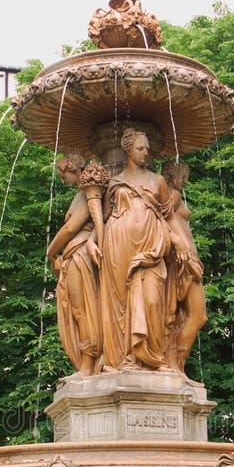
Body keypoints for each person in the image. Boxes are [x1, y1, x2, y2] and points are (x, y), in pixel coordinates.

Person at [97, 128, 189, 371]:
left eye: (147, 148)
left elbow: (168, 216)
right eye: (140, 148)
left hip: (151, 248)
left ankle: (152, 358)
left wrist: (180, 242)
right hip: (118, 246)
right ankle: (125, 359)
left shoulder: (157, 180)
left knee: (152, 300)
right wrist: (91, 242)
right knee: (121, 304)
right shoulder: (114, 182)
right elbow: (104, 218)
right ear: (127, 150)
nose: (145, 153)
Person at [47, 152, 102, 376]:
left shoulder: (86, 194)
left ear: (74, 169)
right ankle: (87, 364)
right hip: (76, 253)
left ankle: (88, 365)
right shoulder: (83, 193)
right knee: (80, 311)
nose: (63, 180)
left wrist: (50, 253)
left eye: (64, 174)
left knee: (83, 311)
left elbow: (71, 228)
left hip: (81, 255)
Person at [161, 160, 207, 376]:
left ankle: (176, 364)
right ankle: (175, 364)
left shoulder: (173, 193)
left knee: (189, 315)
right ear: (171, 175)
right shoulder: (172, 194)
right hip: (183, 260)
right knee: (196, 315)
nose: (186, 180)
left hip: (187, 257)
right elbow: (160, 219)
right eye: (182, 174)